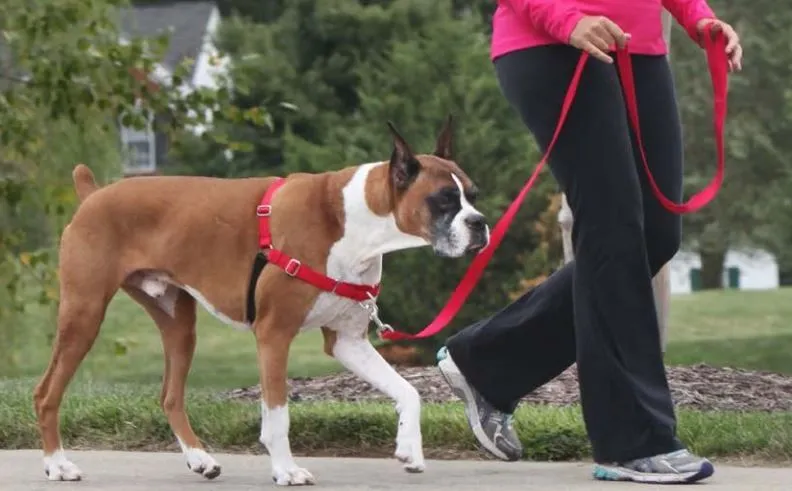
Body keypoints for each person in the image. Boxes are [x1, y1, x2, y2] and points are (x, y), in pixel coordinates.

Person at [435, 0, 743, 484]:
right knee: (613, 228)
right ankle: (634, 442)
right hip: (553, 44)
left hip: (639, 51)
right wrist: (568, 20)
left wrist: (697, 17)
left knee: (654, 235)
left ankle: (486, 363)